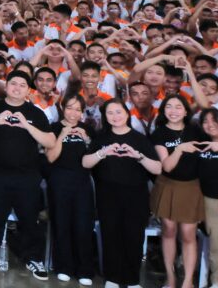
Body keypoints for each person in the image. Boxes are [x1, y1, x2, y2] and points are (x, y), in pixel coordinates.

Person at [0, 71, 55, 279]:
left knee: (29, 218)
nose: (17, 88)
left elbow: (50, 142)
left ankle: (33, 257)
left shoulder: (35, 113)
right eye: (13, 84)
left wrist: (26, 125)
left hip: (27, 176)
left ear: (28, 89)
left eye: (22, 85)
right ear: (6, 87)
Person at [82, 99, 162, 288]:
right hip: (107, 196)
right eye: (110, 113)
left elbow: (157, 168)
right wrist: (103, 153)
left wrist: (138, 156)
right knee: (110, 235)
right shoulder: (101, 138)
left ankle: (132, 279)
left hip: (136, 197)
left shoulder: (140, 139)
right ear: (105, 117)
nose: (115, 116)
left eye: (118, 112)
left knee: (133, 237)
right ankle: (112, 278)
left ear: (127, 114)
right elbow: (85, 163)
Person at [151, 94, 205, 288]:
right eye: (169, 107)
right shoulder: (159, 133)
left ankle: (188, 281)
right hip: (168, 186)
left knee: (189, 234)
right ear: (163, 111)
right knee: (169, 231)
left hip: (192, 187)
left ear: (185, 111)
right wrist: (180, 149)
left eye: (178, 107)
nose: (173, 111)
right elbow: (167, 166)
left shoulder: (196, 130)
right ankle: (171, 277)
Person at [45, 94, 95, 285]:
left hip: (82, 180)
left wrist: (87, 140)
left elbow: (94, 159)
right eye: (69, 108)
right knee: (61, 222)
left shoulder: (88, 129)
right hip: (59, 179)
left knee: (83, 224)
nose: (73, 113)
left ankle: (84, 269)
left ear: (82, 112)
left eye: (77, 109)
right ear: (62, 108)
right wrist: (62, 136)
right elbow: (51, 158)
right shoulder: (54, 128)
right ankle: (63, 266)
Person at [196, 108, 218, 288]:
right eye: (205, 121)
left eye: (214, 120)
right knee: (216, 243)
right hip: (209, 200)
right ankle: (217, 280)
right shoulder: (201, 145)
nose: (210, 125)